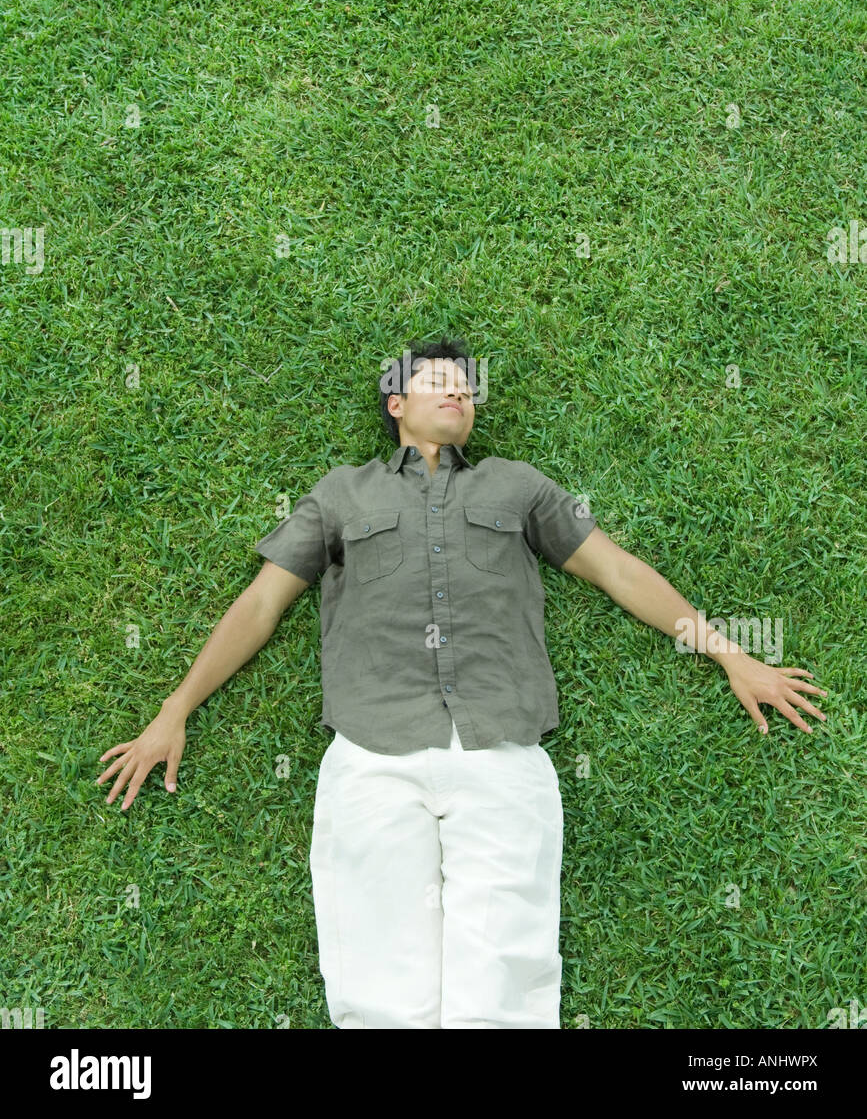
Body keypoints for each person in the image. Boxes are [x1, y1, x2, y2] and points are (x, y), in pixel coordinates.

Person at [96, 335, 829, 1029]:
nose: (458, 393)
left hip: (502, 750)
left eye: (466, 387)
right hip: (371, 753)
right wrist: (175, 708)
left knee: (508, 976)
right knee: (377, 982)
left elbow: (615, 569)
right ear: (394, 403)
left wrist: (730, 655)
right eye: (437, 381)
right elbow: (261, 602)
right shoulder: (341, 495)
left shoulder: (521, 488)